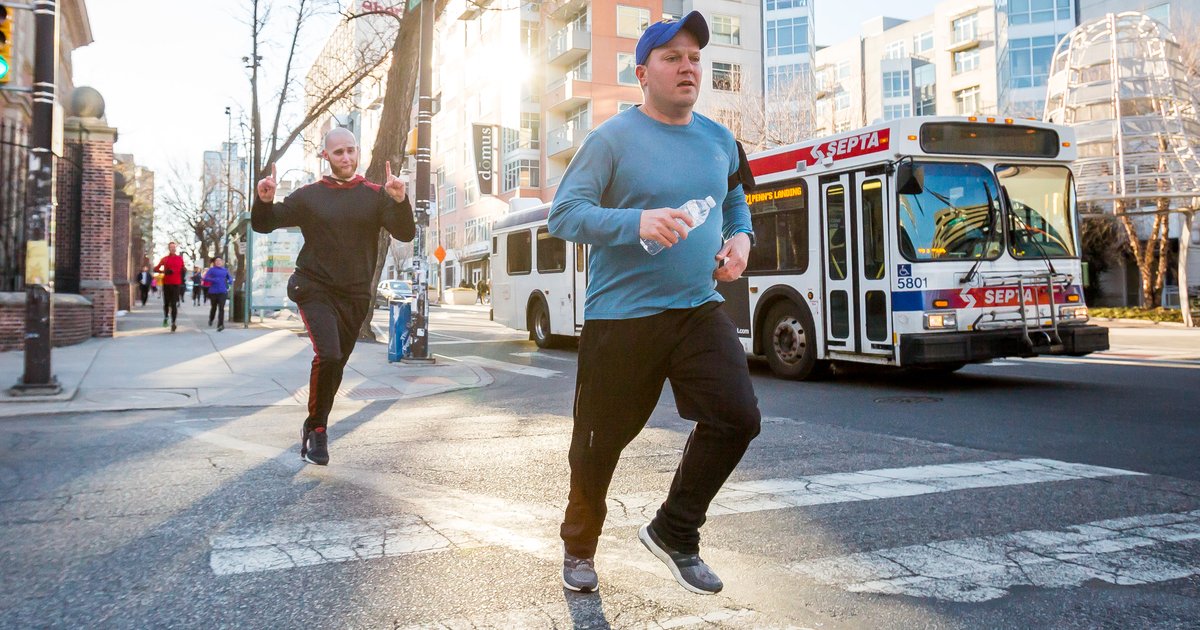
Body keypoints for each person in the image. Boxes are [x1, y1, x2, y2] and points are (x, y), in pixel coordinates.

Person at [547, 12, 759, 596]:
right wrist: (634, 221)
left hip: (696, 308)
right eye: (672, 57)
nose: (687, 66)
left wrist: (741, 240)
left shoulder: (721, 139)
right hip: (623, 318)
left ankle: (675, 532)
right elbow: (563, 216)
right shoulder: (611, 138)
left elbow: (736, 203)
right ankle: (580, 545)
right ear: (643, 73)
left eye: (694, 56)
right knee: (597, 445)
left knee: (738, 418)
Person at [252, 127, 415, 466]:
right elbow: (266, 223)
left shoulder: (375, 195)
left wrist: (400, 201)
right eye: (338, 152)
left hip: (354, 295)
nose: (346, 157)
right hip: (314, 287)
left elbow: (404, 231)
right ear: (326, 156)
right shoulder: (310, 195)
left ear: (358, 153)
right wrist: (264, 201)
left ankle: (314, 424)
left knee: (337, 361)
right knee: (327, 354)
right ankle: (319, 430)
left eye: (351, 150)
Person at [153, 242, 186, 332]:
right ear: (169, 248)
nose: (173, 249)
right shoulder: (165, 259)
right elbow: (155, 269)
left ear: (176, 248)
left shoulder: (180, 259)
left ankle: (173, 322)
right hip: (167, 283)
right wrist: (164, 272)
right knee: (166, 303)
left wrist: (184, 271)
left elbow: (183, 269)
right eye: (171, 247)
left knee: (174, 304)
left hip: (176, 284)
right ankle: (166, 317)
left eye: (174, 247)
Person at [202, 257, 232, 331]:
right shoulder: (211, 270)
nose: (218, 262)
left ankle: (220, 325)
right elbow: (204, 278)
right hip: (213, 292)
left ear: (222, 262)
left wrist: (230, 281)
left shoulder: (225, 270)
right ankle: (211, 319)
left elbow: (229, 278)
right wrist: (214, 280)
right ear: (214, 262)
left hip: (223, 291)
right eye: (217, 261)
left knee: (221, 308)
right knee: (214, 308)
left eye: (220, 261)